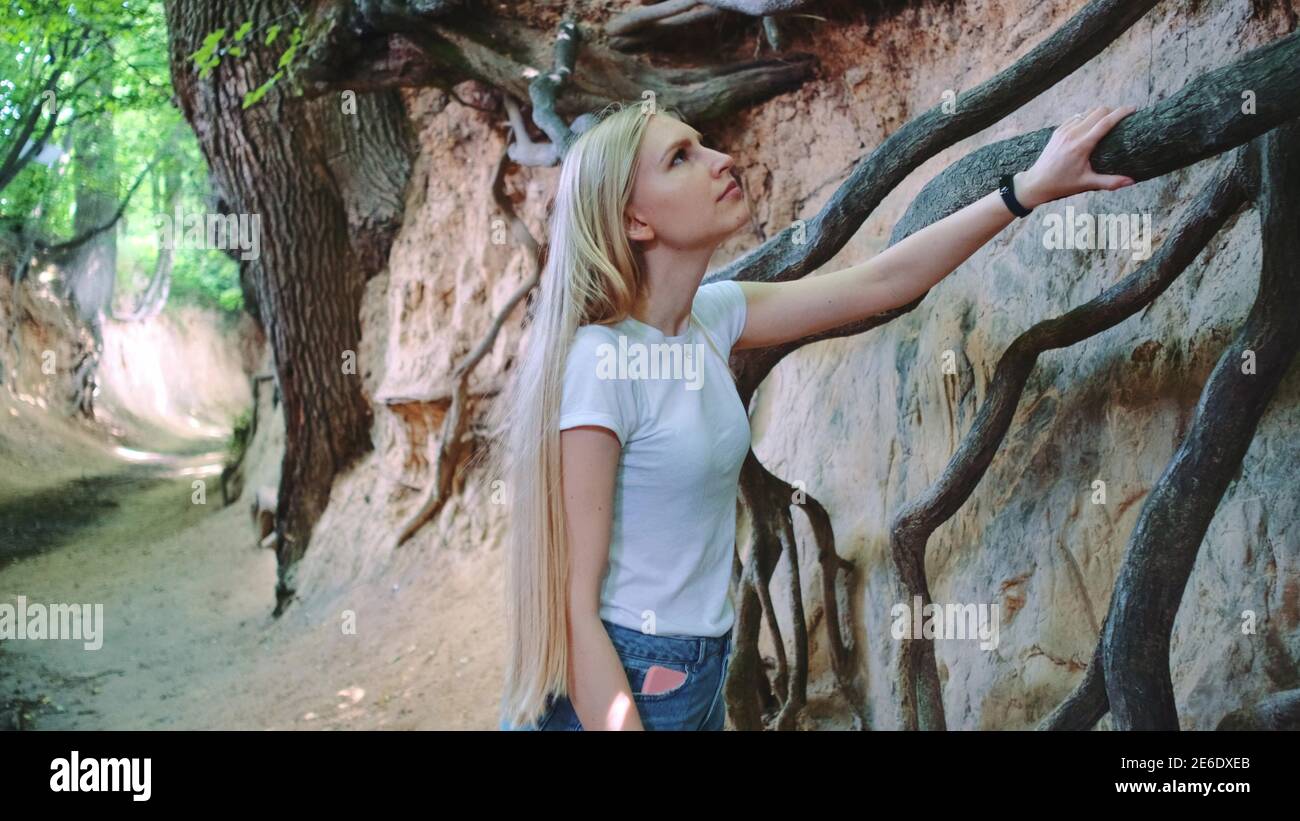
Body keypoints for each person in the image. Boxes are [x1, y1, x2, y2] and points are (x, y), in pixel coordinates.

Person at [491, 100, 1136, 731]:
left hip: (697, 672)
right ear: (635, 220)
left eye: (704, 143)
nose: (722, 160)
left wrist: (1026, 190)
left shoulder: (711, 319)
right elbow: (575, 613)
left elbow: (885, 283)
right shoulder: (598, 363)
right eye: (681, 157)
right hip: (617, 682)